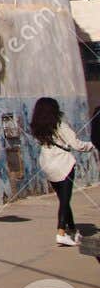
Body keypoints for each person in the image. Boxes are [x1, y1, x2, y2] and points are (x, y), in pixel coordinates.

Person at [30, 96, 96, 247]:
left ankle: (73, 231)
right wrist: (94, 144)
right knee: (65, 201)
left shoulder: (38, 127)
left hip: (47, 164)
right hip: (63, 164)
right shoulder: (60, 125)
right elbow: (77, 145)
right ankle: (61, 232)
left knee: (63, 199)